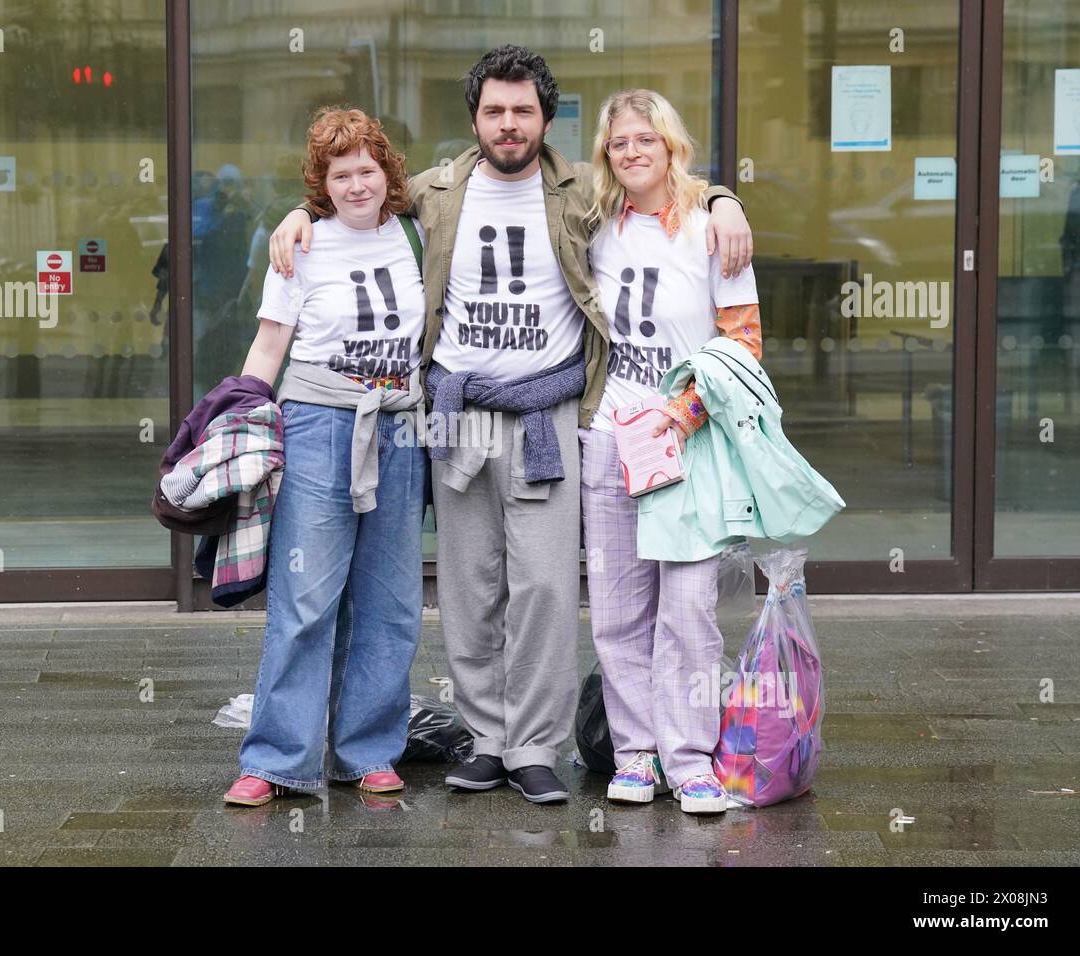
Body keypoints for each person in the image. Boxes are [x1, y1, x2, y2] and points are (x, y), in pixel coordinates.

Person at [271, 47, 754, 804]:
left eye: (522, 110)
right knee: (468, 589)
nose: (507, 123)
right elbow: (357, 193)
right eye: (494, 110)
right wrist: (301, 211)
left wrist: (723, 197)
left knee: (546, 589)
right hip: (459, 413)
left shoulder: (581, 195)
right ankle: (486, 739)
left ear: (545, 118)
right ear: (475, 118)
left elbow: (654, 185)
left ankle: (534, 745)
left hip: (547, 412)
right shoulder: (435, 191)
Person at [224, 107, 429, 806]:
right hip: (318, 424)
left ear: (387, 172)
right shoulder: (301, 246)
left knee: (392, 600)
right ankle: (276, 756)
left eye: (367, 169)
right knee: (305, 597)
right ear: (323, 183)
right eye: (341, 174)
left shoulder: (417, 236)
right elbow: (270, 347)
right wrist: (241, 416)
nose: (357, 184)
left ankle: (367, 751)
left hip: (399, 428)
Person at [580, 89, 762, 813]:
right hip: (609, 440)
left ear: (671, 146)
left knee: (689, 610)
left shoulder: (712, 230)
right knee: (619, 611)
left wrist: (683, 415)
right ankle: (634, 754)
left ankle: (690, 761)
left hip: (689, 440)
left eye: (644, 140)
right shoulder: (595, 227)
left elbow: (744, 343)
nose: (631, 152)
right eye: (618, 142)